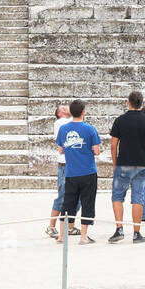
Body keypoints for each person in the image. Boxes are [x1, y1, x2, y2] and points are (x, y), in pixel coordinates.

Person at [108, 90, 145, 244]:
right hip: (142, 164)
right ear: (141, 103)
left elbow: (113, 145)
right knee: (138, 198)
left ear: (128, 102)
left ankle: (119, 229)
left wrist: (115, 163)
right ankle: (137, 233)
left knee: (117, 196)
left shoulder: (120, 120)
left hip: (123, 163)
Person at [56, 99, 101, 244]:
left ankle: (62, 236)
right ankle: (83, 236)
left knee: (67, 203)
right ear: (83, 112)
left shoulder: (63, 129)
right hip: (88, 171)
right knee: (87, 203)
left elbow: (61, 150)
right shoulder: (89, 129)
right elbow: (96, 151)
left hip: (71, 172)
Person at [46, 103, 77, 240]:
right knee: (62, 196)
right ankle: (51, 226)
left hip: (74, 163)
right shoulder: (60, 122)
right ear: (60, 113)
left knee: (77, 197)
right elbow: (76, 120)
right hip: (65, 164)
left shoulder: (70, 121)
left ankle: (70, 226)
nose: (67, 109)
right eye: (64, 108)